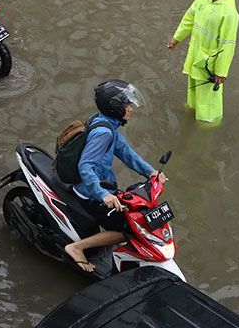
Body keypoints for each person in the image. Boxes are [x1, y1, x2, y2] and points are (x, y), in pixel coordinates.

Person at [63, 80, 166, 273]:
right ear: (116, 107)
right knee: (127, 229)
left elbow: (127, 153)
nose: (131, 109)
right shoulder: (104, 133)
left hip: (102, 187)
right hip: (91, 193)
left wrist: (151, 172)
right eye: (127, 105)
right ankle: (76, 248)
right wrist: (103, 195)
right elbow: (85, 166)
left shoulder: (107, 123)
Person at [167, 0, 239, 124]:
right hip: (196, 58)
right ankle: (191, 116)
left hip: (210, 67)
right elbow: (189, 18)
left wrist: (221, 72)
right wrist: (176, 38)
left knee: (208, 105)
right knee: (193, 95)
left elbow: (227, 45)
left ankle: (207, 128)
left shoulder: (229, 14)